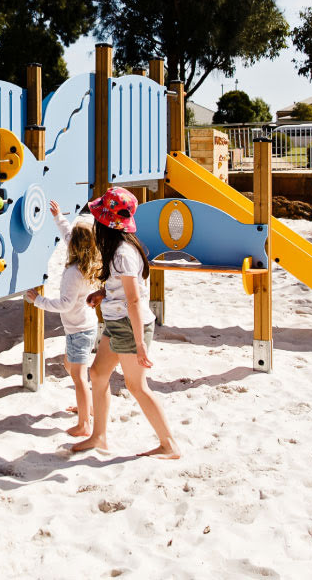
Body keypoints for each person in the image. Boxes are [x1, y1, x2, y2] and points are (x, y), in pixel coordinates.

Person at [73, 187, 181, 459]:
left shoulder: (122, 253)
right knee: (98, 374)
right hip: (117, 322)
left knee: (137, 386)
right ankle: (98, 437)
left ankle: (169, 445)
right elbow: (124, 292)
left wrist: (140, 345)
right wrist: (104, 293)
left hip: (130, 325)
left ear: (104, 224)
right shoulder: (118, 249)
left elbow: (134, 301)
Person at [25, 201, 102, 437]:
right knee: (70, 366)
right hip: (83, 326)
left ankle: (85, 422)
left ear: (74, 248)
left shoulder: (72, 274)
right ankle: (85, 406)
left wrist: (39, 300)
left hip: (79, 329)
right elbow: (69, 235)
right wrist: (59, 217)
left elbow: (65, 304)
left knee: (79, 377)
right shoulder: (90, 261)